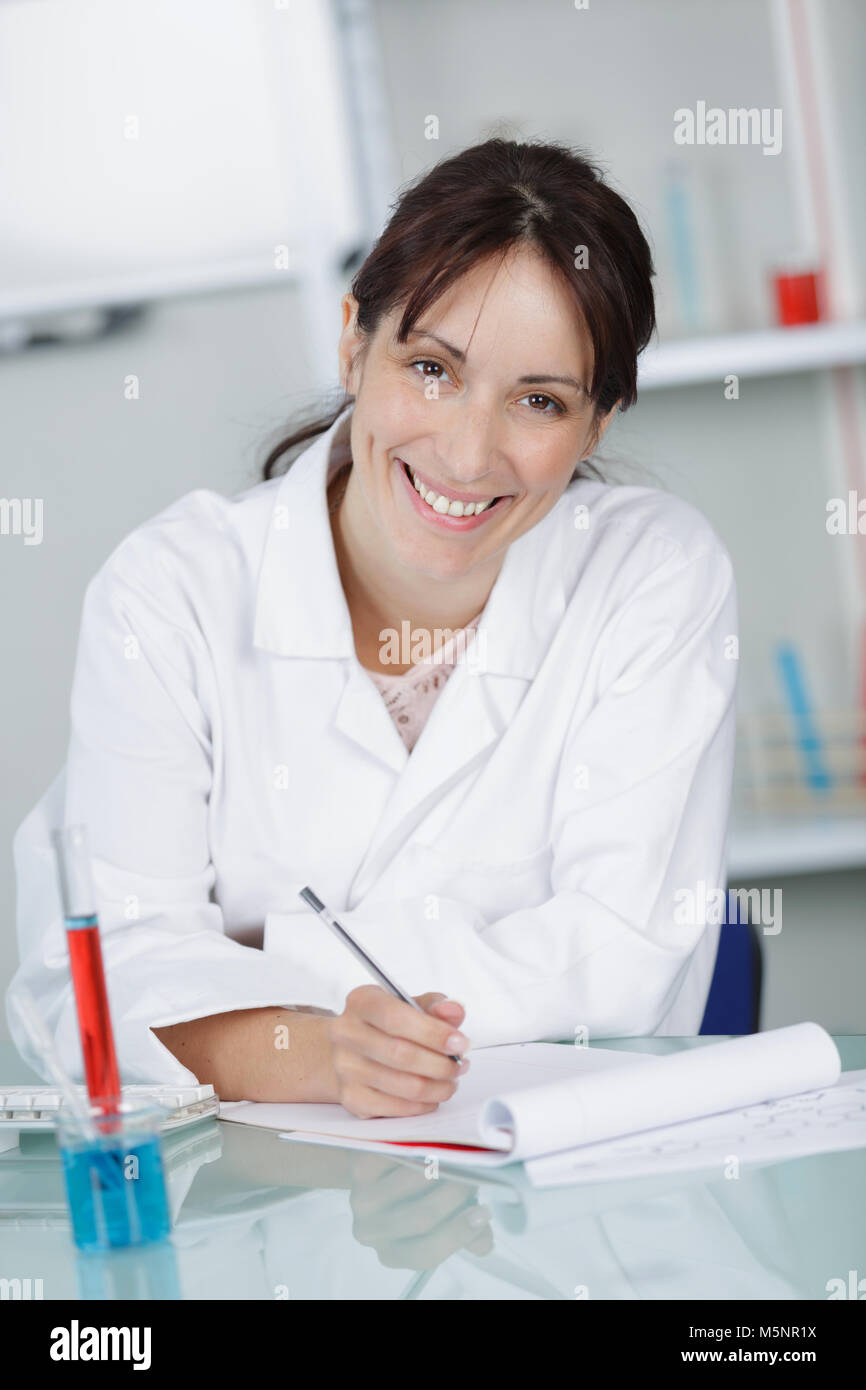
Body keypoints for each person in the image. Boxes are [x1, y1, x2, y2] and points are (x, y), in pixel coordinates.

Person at [8, 138, 738, 1117]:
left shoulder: (649, 577)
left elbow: (629, 968)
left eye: (537, 400)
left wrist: (264, 961)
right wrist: (323, 1056)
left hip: (556, 1200)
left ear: (595, 424)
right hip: (248, 1208)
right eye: (432, 368)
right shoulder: (171, 592)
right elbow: (101, 989)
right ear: (354, 341)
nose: (468, 452)